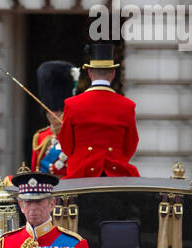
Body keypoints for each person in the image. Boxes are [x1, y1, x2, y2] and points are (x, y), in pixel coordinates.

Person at [58, 43, 140, 178]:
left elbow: (66, 143)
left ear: (90, 73)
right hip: (116, 173)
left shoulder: (72, 104)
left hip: (81, 173)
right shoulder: (127, 105)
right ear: (113, 74)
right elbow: (130, 144)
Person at [31, 61, 76, 175]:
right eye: (50, 110)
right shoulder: (40, 137)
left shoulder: (77, 135)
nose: (53, 115)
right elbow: (35, 171)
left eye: (58, 111)